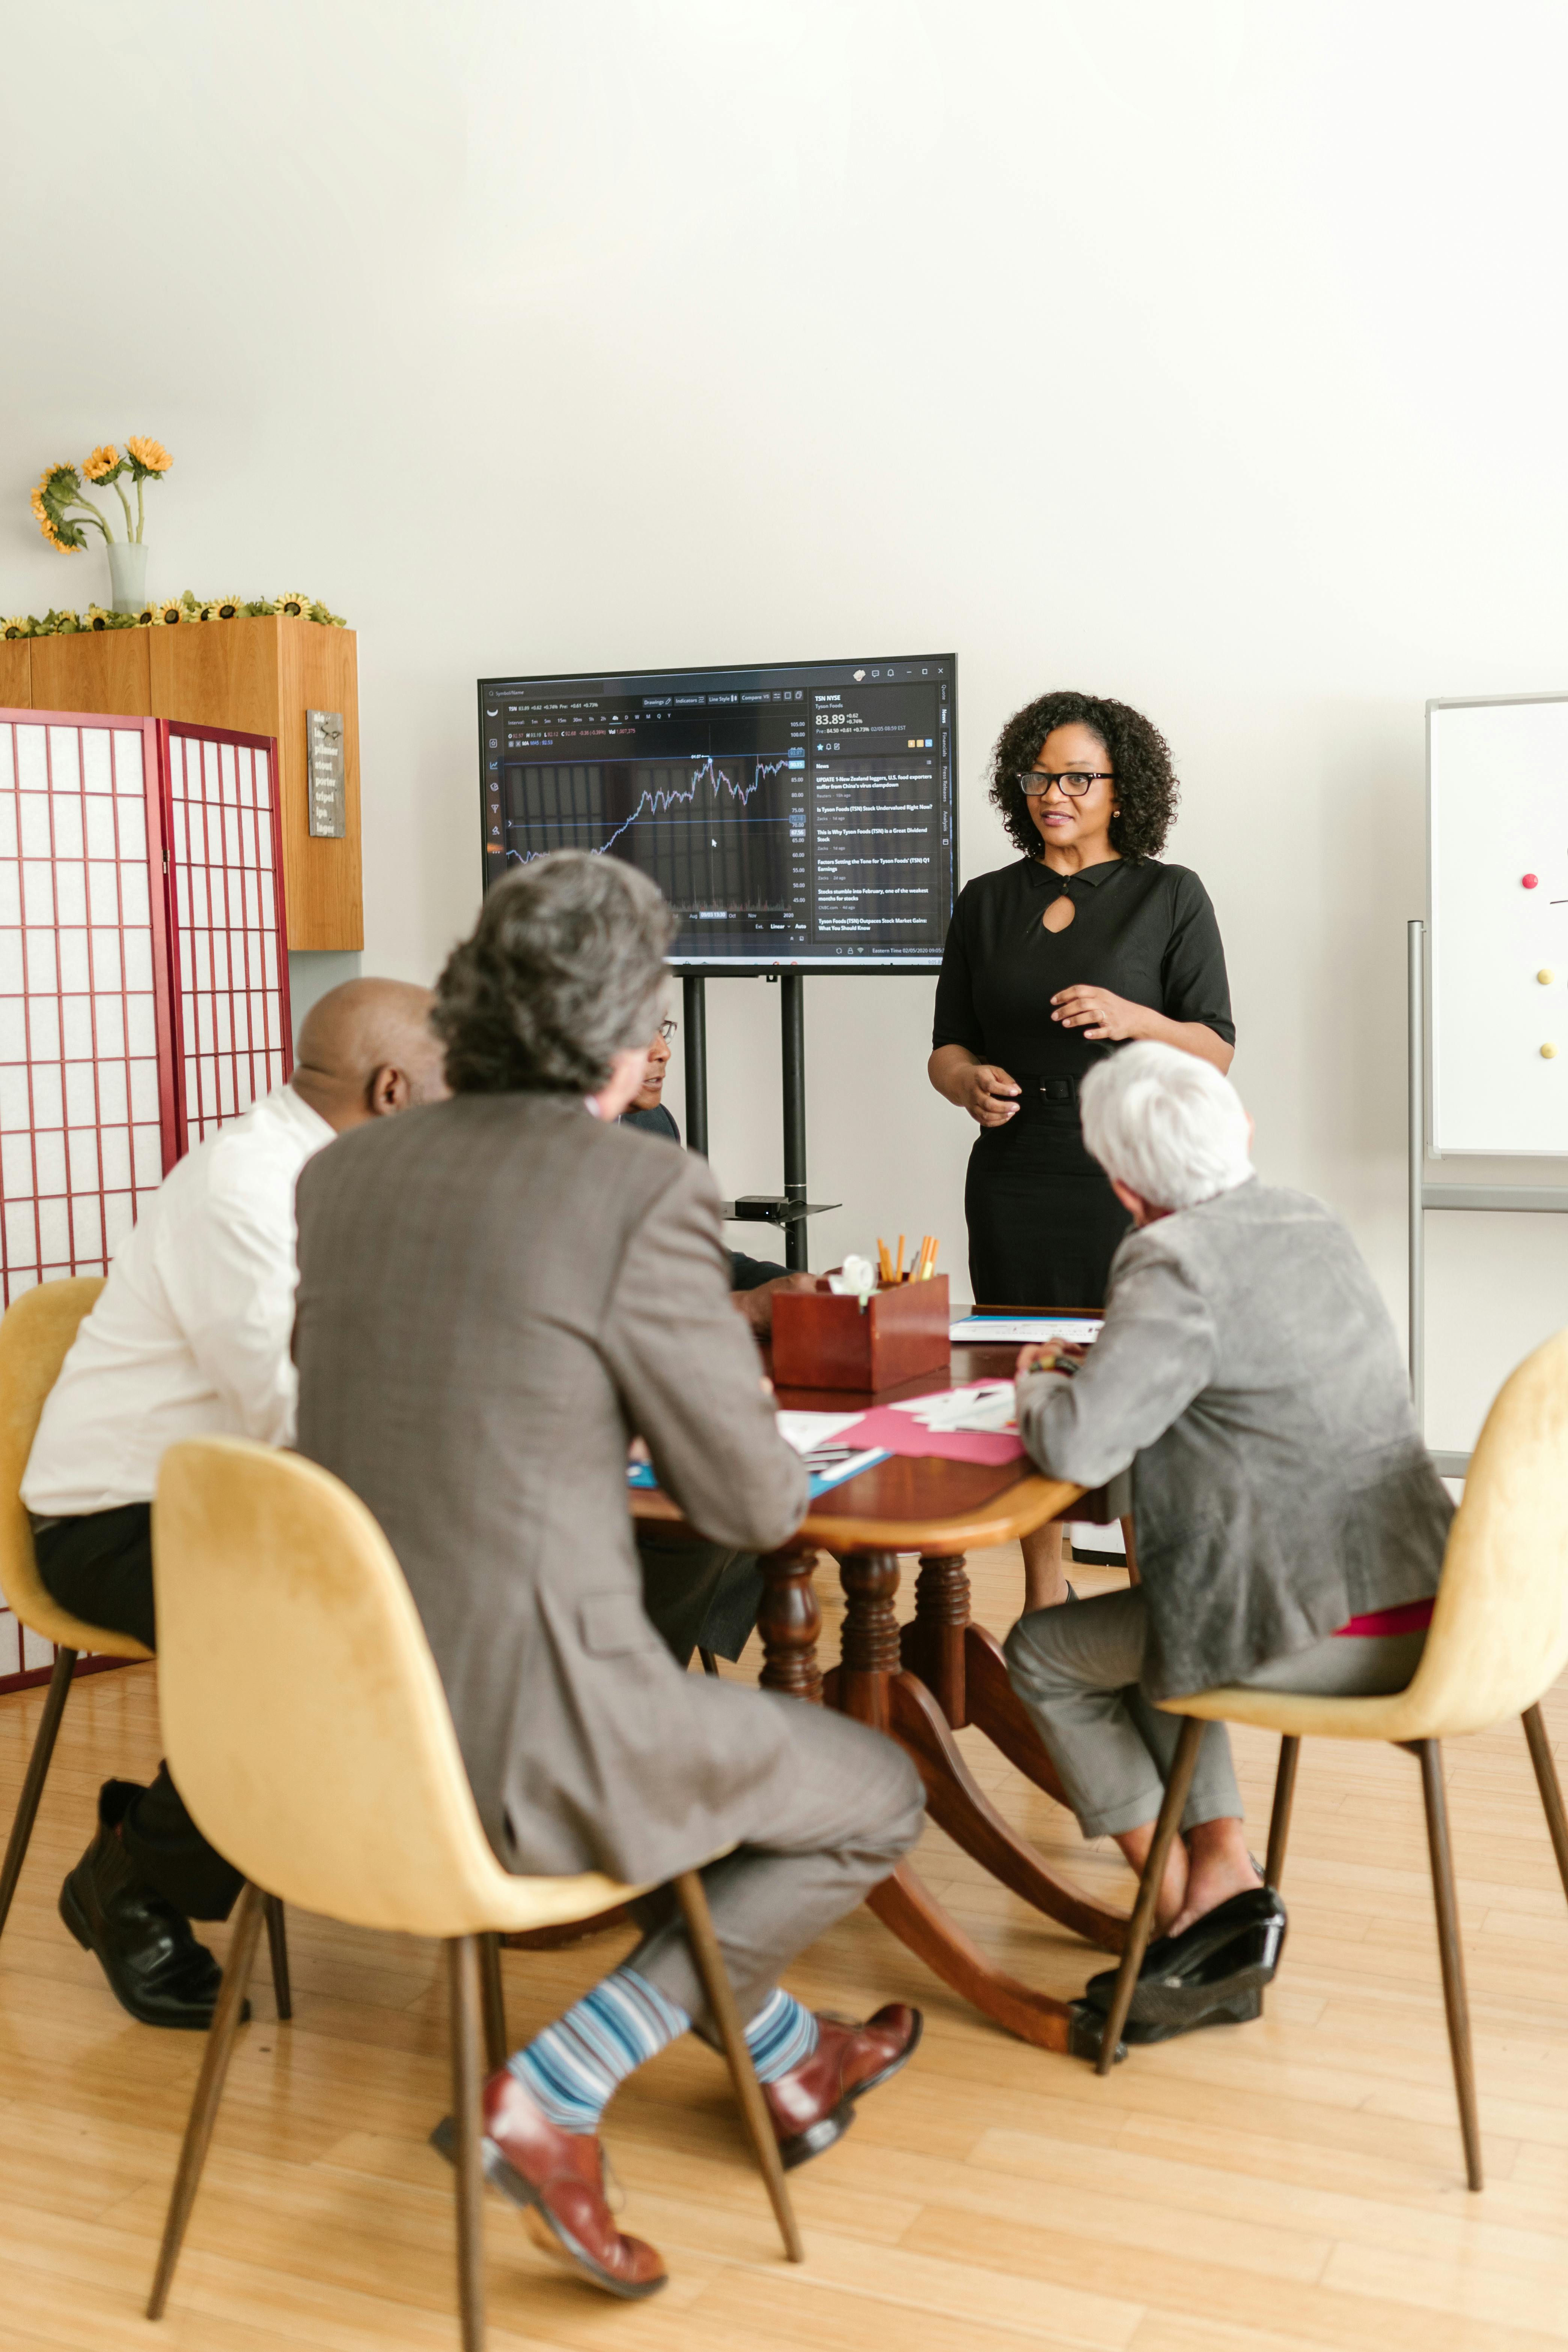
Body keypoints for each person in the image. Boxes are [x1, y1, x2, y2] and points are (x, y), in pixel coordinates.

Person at [292, 851, 924, 2299]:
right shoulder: (640, 1185)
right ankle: (555, 2086)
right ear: (627, 1030)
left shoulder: (346, 1174)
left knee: (734, 1783)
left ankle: (790, 2057)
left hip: (342, 1724)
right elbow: (751, 1502)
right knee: (867, 1791)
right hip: (536, 1734)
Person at [21, 980, 449, 2030]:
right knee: (349, 1630)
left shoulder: (351, 1177)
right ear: (393, 1090)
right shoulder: (245, 1191)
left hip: (244, 1504)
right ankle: (135, 1877)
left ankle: (368, 1822)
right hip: (119, 1520)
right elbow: (295, 1417)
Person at [1003, 1043, 1451, 2039]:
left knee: (1044, 1653)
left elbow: (1077, 1443)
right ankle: (1225, 1880)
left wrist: (1037, 1378)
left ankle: (1183, 1922)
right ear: (1240, 1131)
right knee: (1167, 1621)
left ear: (1123, 1189)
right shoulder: (1308, 1216)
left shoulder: (1170, 1257)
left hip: (1320, 1624)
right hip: (1429, 1592)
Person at [928, 689, 1235, 1610]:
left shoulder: (1168, 894)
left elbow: (1216, 1047)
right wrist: (966, 1083)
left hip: (1127, 1171)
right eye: (1039, 775)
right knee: (1031, 1376)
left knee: (1136, 1378)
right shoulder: (986, 903)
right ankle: (1042, 1593)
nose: (1052, 793)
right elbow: (946, 1045)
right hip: (1015, 1171)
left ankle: (1152, 1594)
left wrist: (1133, 1017)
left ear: (1120, 788)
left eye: (1076, 777)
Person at [621, 1015, 816, 1665]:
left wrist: (782, 1282)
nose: (663, 1052)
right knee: (730, 1495)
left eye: (663, 1028)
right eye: (637, 1032)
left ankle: (673, 1656)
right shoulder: (543, 1151)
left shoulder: (654, 1124)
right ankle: (644, 1680)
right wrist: (742, 1308)